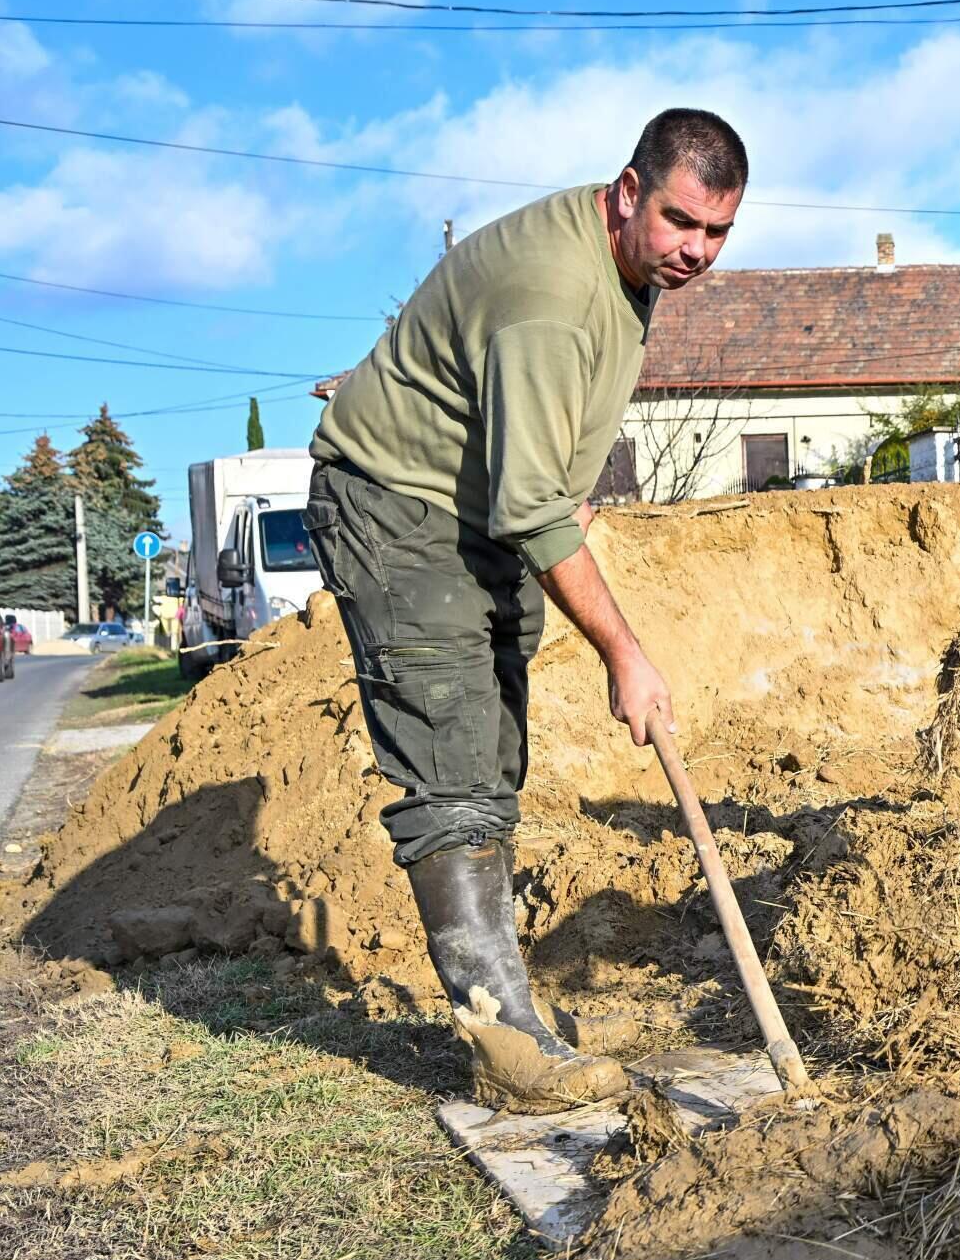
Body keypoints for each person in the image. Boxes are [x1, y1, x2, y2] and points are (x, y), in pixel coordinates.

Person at [305, 109, 746, 1111]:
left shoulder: (623, 268)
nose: (696, 252)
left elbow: (537, 456)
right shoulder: (552, 289)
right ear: (628, 191)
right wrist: (623, 653)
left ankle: (507, 1010)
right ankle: (508, 1050)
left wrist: (562, 492)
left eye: (717, 233)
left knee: (489, 748)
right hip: (396, 508)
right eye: (680, 222)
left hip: (471, 517)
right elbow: (533, 504)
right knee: (453, 755)